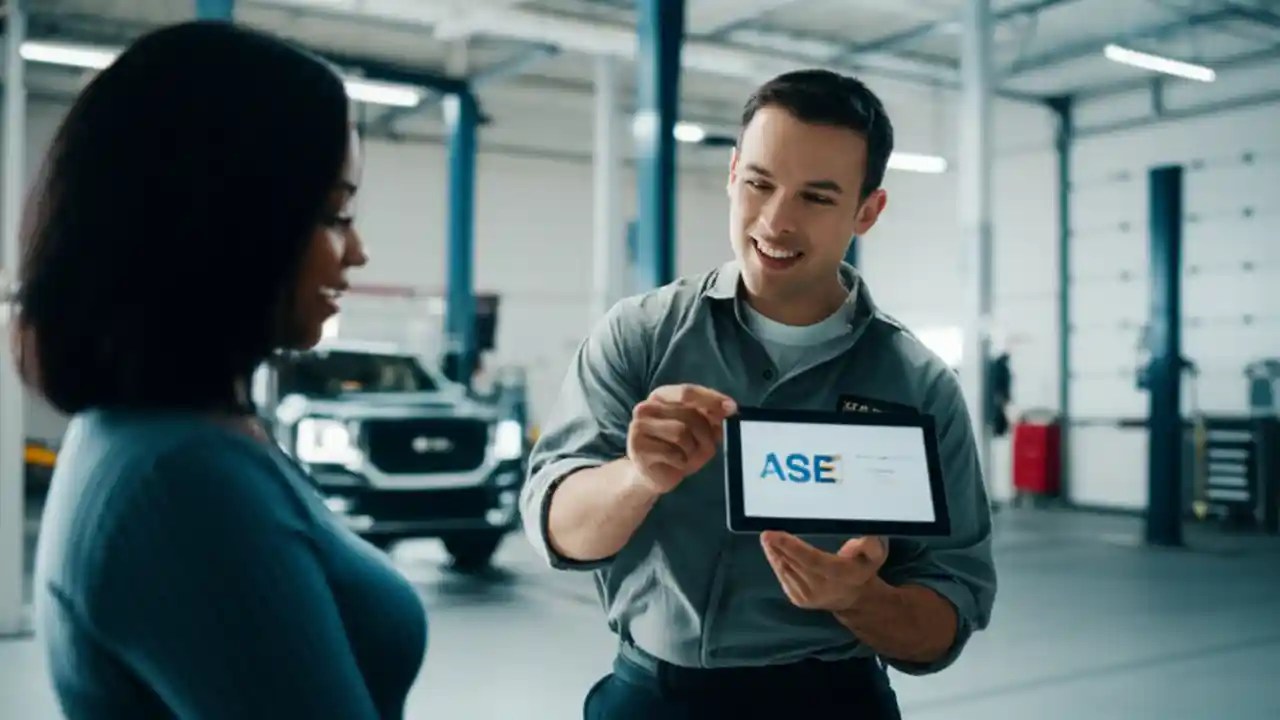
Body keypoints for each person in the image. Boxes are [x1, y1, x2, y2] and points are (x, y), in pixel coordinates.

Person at [521, 69, 997, 718]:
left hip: (832, 701)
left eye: (817, 198)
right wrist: (639, 475)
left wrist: (859, 598)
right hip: (651, 697)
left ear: (867, 210)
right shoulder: (641, 336)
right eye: (759, 184)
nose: (776, 221)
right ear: (732, 172)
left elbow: (950, 609)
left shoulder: (917, 386)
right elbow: (556, 527)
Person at [17, 21, 427, 719]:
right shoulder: (179, 483)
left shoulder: (179, 431)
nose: (355, 252)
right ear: (228, 219)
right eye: (333, 214)